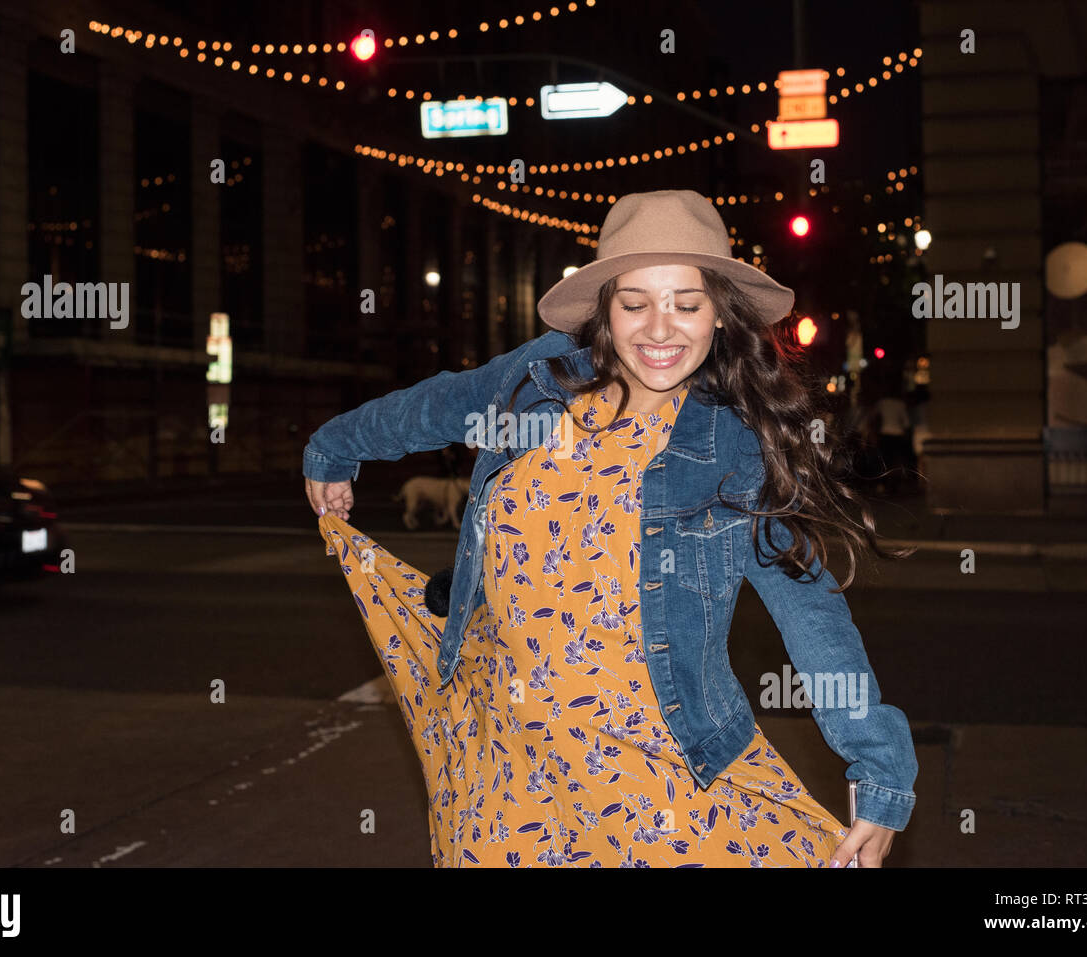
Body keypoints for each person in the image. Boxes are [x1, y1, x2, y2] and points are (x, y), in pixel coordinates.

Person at [304, 190, 918, 868]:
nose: (661, 328)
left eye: (687, 303)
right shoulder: (535, 381)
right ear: (603, 307)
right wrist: (334, 445)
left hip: (658, 772)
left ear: (720, 313)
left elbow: (810, 607)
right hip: (508, 767)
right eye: (635, 303)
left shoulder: (731, 444)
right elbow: (435, 404)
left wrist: (879, 765)